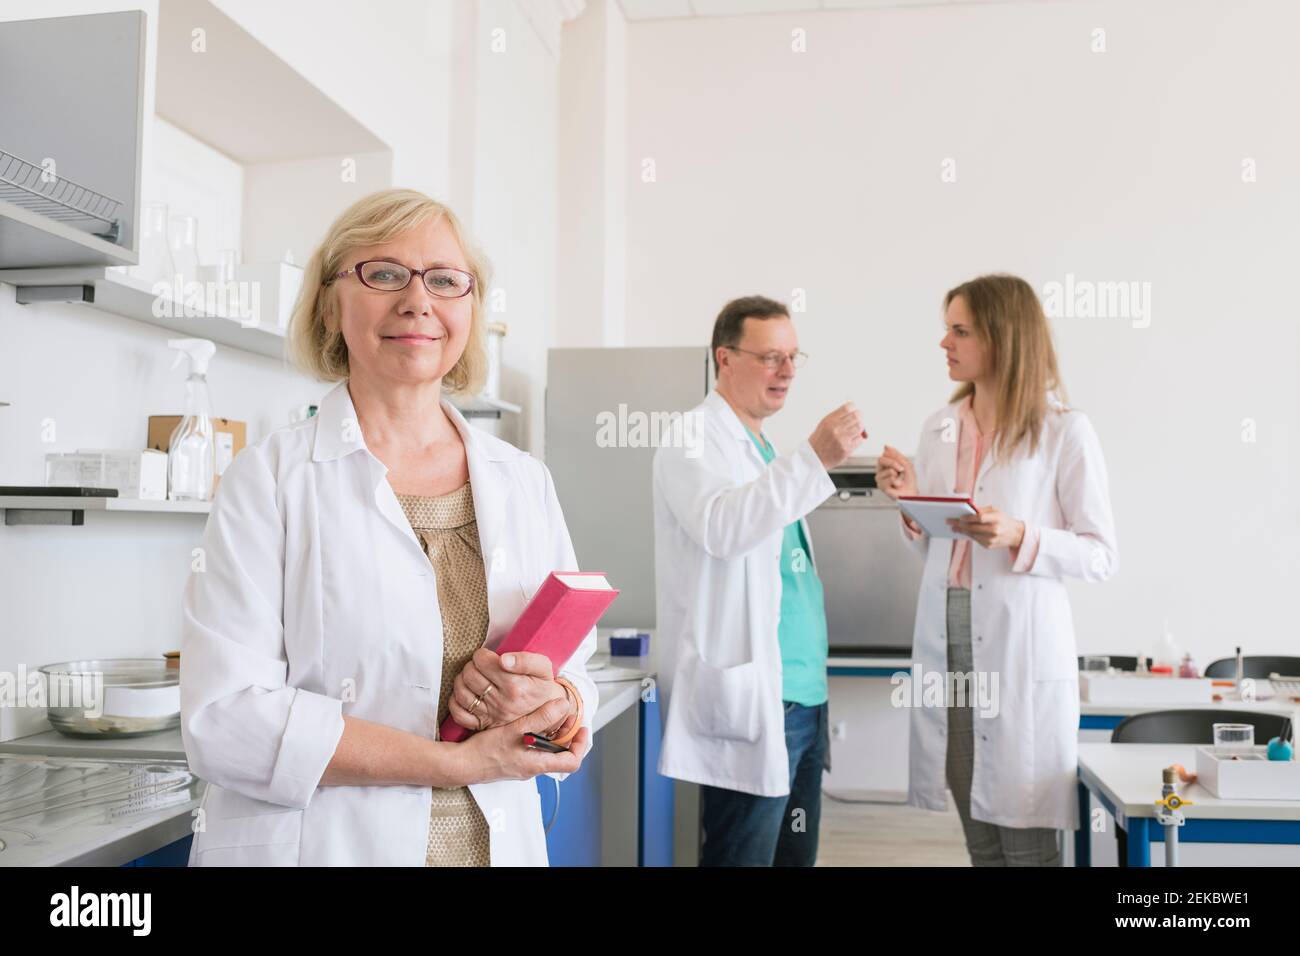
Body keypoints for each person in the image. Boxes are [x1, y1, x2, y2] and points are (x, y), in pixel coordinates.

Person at [180, 188, 595, 866]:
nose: (417, 301)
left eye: (444, 280)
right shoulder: (270, 480)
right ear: (329, 303)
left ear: (469, 308)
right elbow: (224, 720)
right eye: (383, 274)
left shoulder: (522, 480)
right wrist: (451, 764)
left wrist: (561, 701)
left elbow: (574, 659)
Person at [877, 273, 1118, 867]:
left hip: (1019, 648)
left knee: (1027, 839)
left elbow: (1100, 554)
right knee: (976, 829)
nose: (945, 344)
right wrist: (910, 502)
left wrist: (1021, 536)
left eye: (960, 331)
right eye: (947, 329)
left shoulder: (1064, 431)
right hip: (948, 636)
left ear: (1003, 339)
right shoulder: (940, 428)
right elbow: (942, 546)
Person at [653, 294, 865, 866]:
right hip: (754, 692)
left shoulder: (762, 446)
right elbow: (722, 527)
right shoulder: (692, 437)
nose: (788, 371)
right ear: (725, 357)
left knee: (795, 858)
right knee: (741, 858)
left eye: (794, 357)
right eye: (771, 357)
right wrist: (815, 456)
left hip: (803, 696)